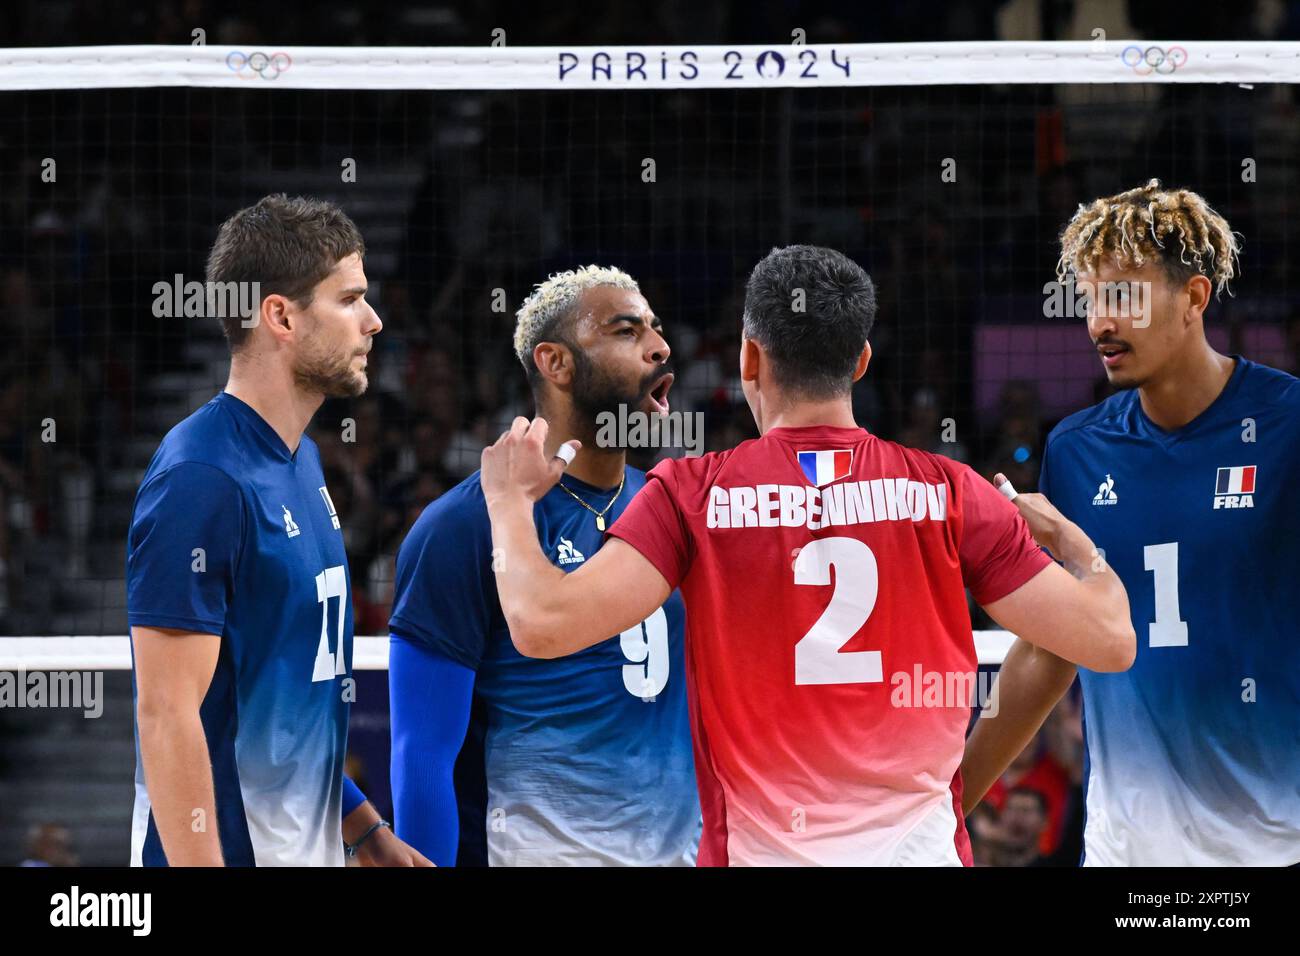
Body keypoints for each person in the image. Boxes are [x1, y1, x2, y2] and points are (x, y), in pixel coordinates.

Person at [479, 245, 1135, 866]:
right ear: (860, 362)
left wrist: (510, 504)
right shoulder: (950, 491)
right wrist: (1084, 554)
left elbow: (541, 624)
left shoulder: (690, 494)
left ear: (750, 361)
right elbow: (1108, 642)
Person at [962, 180, 1300, 866]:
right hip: (1127, 853)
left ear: (1195, 298)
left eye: (1123, 297)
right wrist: (947, 802)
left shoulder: (1288, 424)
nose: (1098, 325)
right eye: (1091, 302)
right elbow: (1052, 648)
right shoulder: (1077, 450)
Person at [126, 194, 429, 867]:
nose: (374, 321)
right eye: (350, 299)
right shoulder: (201, 479)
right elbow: (166, 715)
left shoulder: (301, 459)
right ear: (281, 316)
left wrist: (362, 828)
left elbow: (288, 698)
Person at [388, 266, 699, 866]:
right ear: (555, 363)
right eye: (626, 331)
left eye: (657, 330)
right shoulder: (460, 526)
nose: (660, 348)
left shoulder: (674, 509)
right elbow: (421, 753)